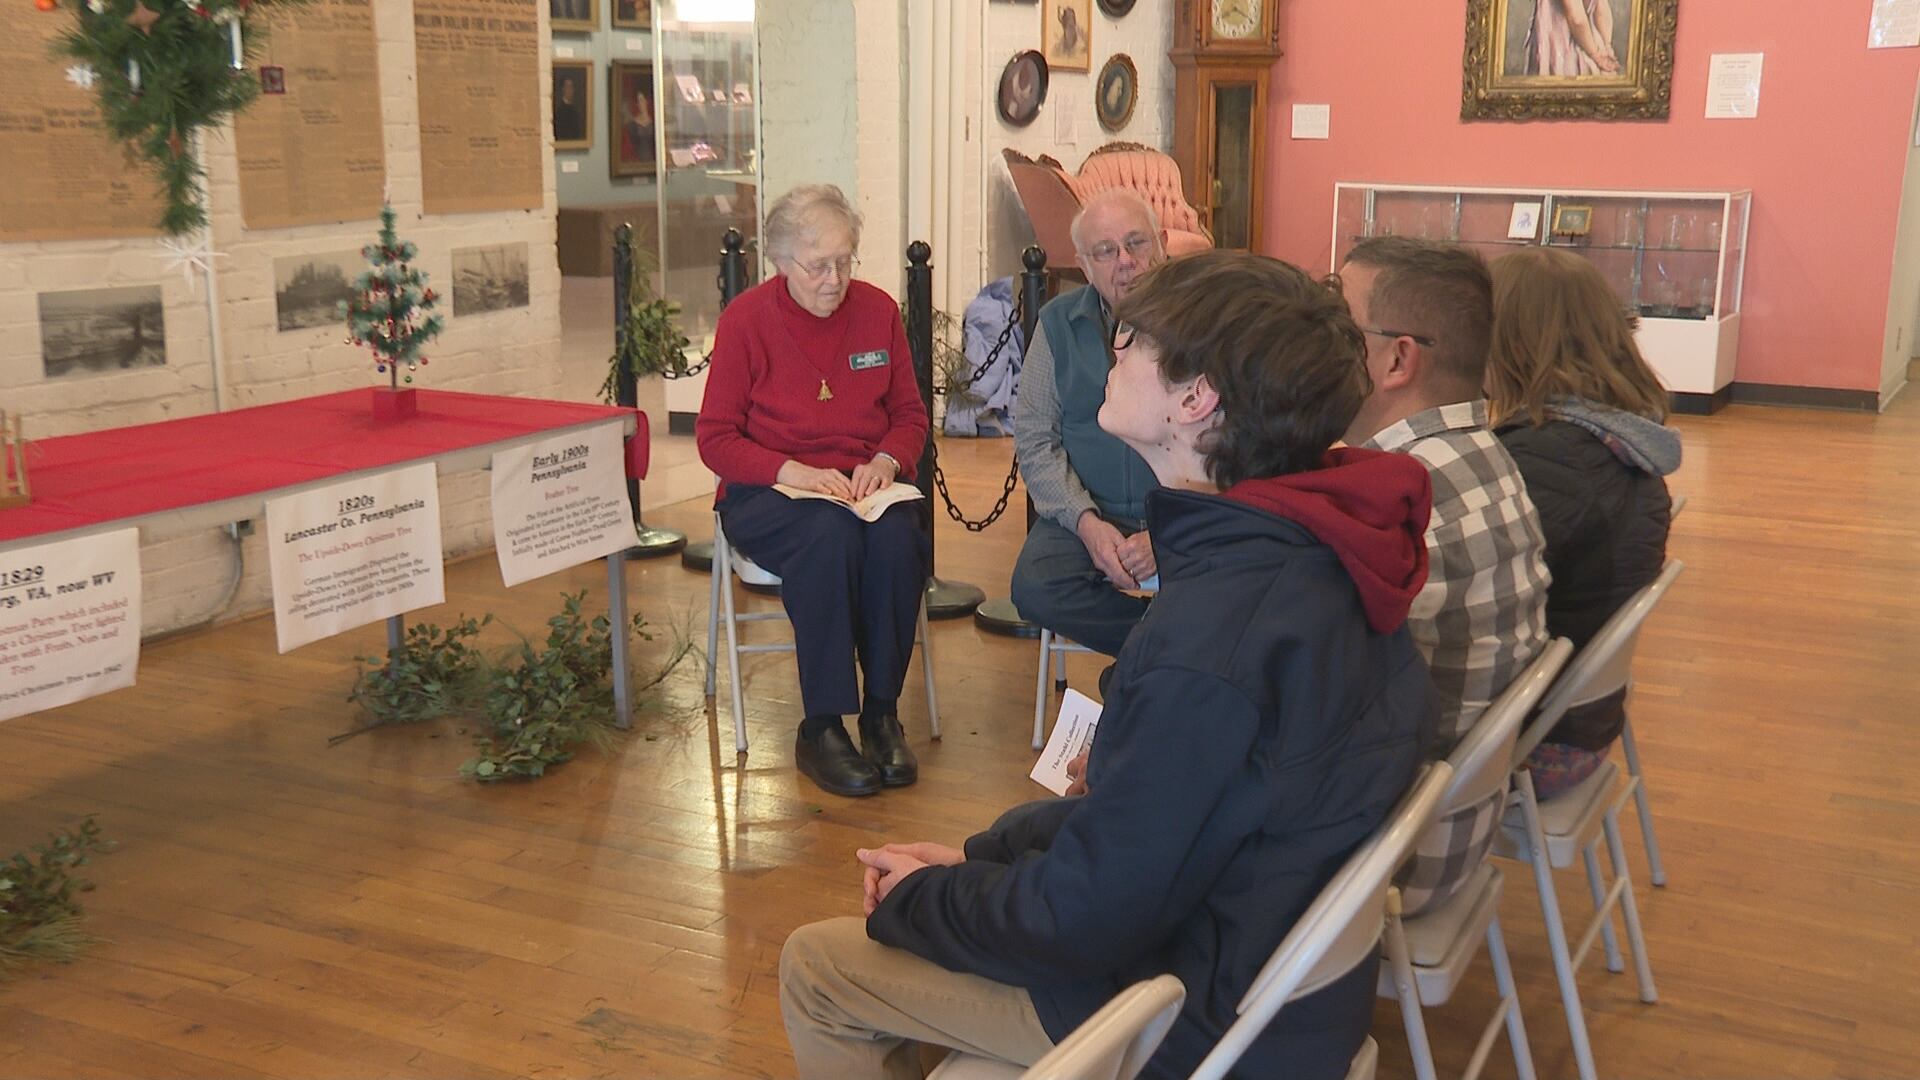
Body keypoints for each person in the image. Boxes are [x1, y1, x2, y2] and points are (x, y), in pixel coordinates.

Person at [779, 251, 1438, 1080]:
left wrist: (926, 898)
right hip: (1273, 978)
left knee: (817, 967)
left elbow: (1084, 919)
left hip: (1192, 1015)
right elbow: (1164, 831)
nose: (1114, 352)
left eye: (1132, 341)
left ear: (1196, 401)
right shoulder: (1331, 552)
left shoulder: (1213, 640)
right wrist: (983, 859)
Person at [1338, 236, 1551, 915]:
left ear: (1397, 358)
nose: (1311, 342)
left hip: (1385, 866)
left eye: (1335, 328)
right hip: (1450, 835)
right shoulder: (1483, 454)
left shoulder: (1400, 500)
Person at [696, 185, 930, 799]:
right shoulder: (746, 321)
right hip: (770, 489)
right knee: (828, 537)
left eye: (846, 261)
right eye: (819, 265)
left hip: (860, 482)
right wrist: (791, 471)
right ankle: (822, 726)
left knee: (899, 535)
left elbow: (909, 414)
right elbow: (715, 439)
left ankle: (881, 713)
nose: (835, 279)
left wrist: (886, 460)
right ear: (779, 261)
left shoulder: (877, 311)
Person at [1487, 247, 1680, 797]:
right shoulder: (1607, 436)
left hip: (1536, 745)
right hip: (1577, 725)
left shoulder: (1551, 461)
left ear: (1507, 339)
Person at [1010, 190, 1166, 657]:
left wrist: (1169, 533)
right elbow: (1036, 438)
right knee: (1035, 587)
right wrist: (1084, 521)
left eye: (1137, 243)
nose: (1125, 261)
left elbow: (1230, 439)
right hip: (1089, 510)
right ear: (1083, 264)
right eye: (1106, 250)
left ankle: (1153, 661)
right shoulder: (1058, 323)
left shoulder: (1205, 321)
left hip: (1181, 516)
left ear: (1160, 245)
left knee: (1239, 581)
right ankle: (1163, 651)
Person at [1524, 0, 1620, 77]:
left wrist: (1596, 55)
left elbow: (1576, 20)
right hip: (1592, 44)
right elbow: (1601, 10)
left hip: (1565, 47)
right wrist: (1607, 47)